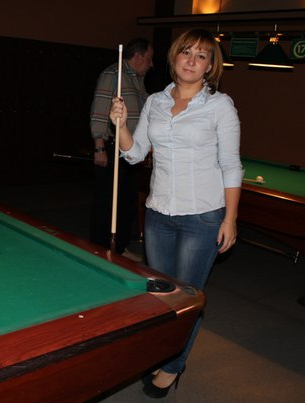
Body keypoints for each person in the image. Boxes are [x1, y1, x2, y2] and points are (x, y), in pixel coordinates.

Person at [110, 29, 242, 398]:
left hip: (202, 217)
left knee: (186, 298)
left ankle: (172, 366)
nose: (191, 61)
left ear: (210, 66)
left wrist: (230, 219)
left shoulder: (220, 106)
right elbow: (135, 154)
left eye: (201, 56)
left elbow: (231, 166)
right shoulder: (155, 101)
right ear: (174, 57)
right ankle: (164, 354)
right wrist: (121, 126)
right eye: (186, 52)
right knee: (160, 295)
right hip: (158, 214)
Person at [89, 38, 154, 259]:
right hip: (112, 147)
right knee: (107, 203)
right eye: (149, 58)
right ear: (138, 56)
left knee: (126, 202)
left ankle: (119, 248)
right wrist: (99, 147)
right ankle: (99, 250)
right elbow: (99, 110)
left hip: (132, 149)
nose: (151, 64)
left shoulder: (137, 79)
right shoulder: (113, 74)